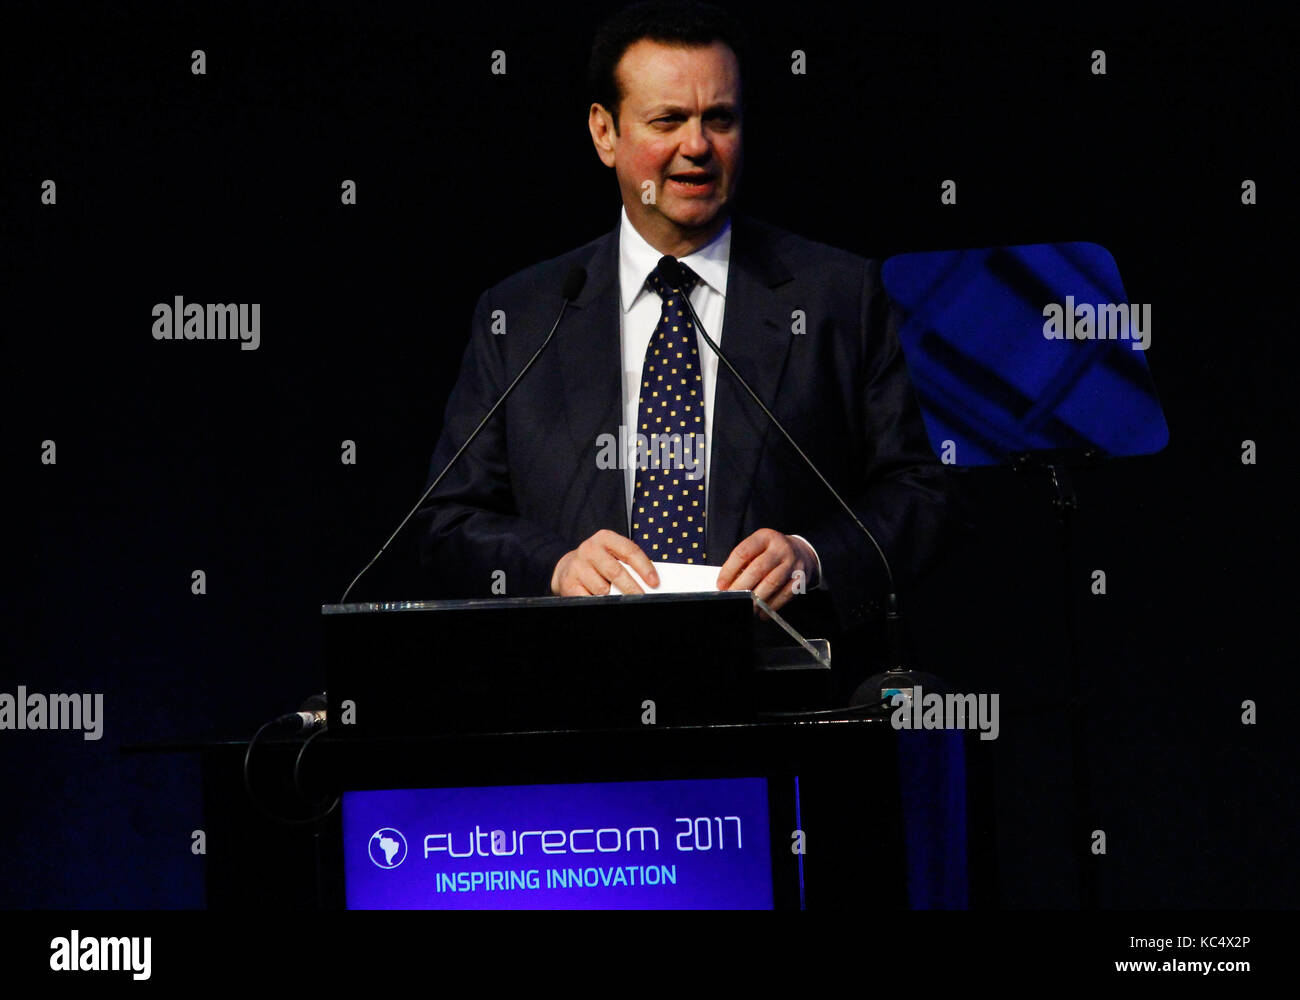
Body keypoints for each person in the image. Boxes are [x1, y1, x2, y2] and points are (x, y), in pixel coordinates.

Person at [416, 0, 961, 701]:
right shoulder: (520, 315)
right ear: (604, 132)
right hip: (577, 697)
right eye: (668, 120)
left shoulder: (839, 296)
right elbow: (447, 520)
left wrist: (813, 555)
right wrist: (555, 566)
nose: (698, 146)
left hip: (782, 700)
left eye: (720, 119)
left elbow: (925, 494)